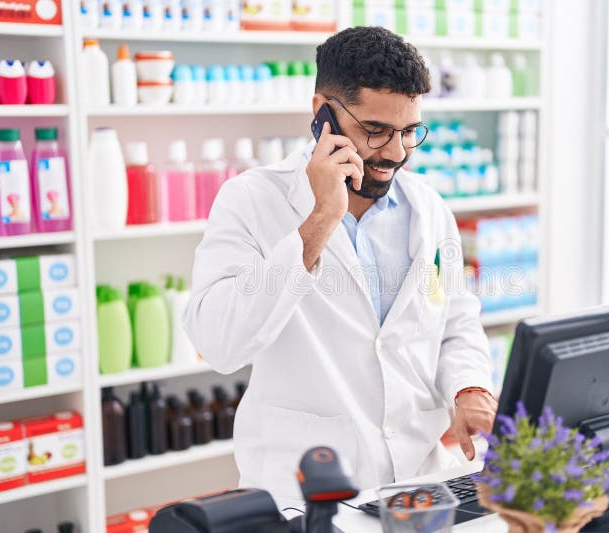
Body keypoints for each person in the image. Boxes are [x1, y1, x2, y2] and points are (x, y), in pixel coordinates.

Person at [183, 26, 496, 500]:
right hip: (306, 491)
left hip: (418, 482)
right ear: (322, 114)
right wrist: (320, 220)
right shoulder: (251, 200)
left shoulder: (428, 208)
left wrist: (469, 389)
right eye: (375, 131)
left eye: (408, 132)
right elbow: (219, 344)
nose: (395, 153)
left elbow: (456, 321)